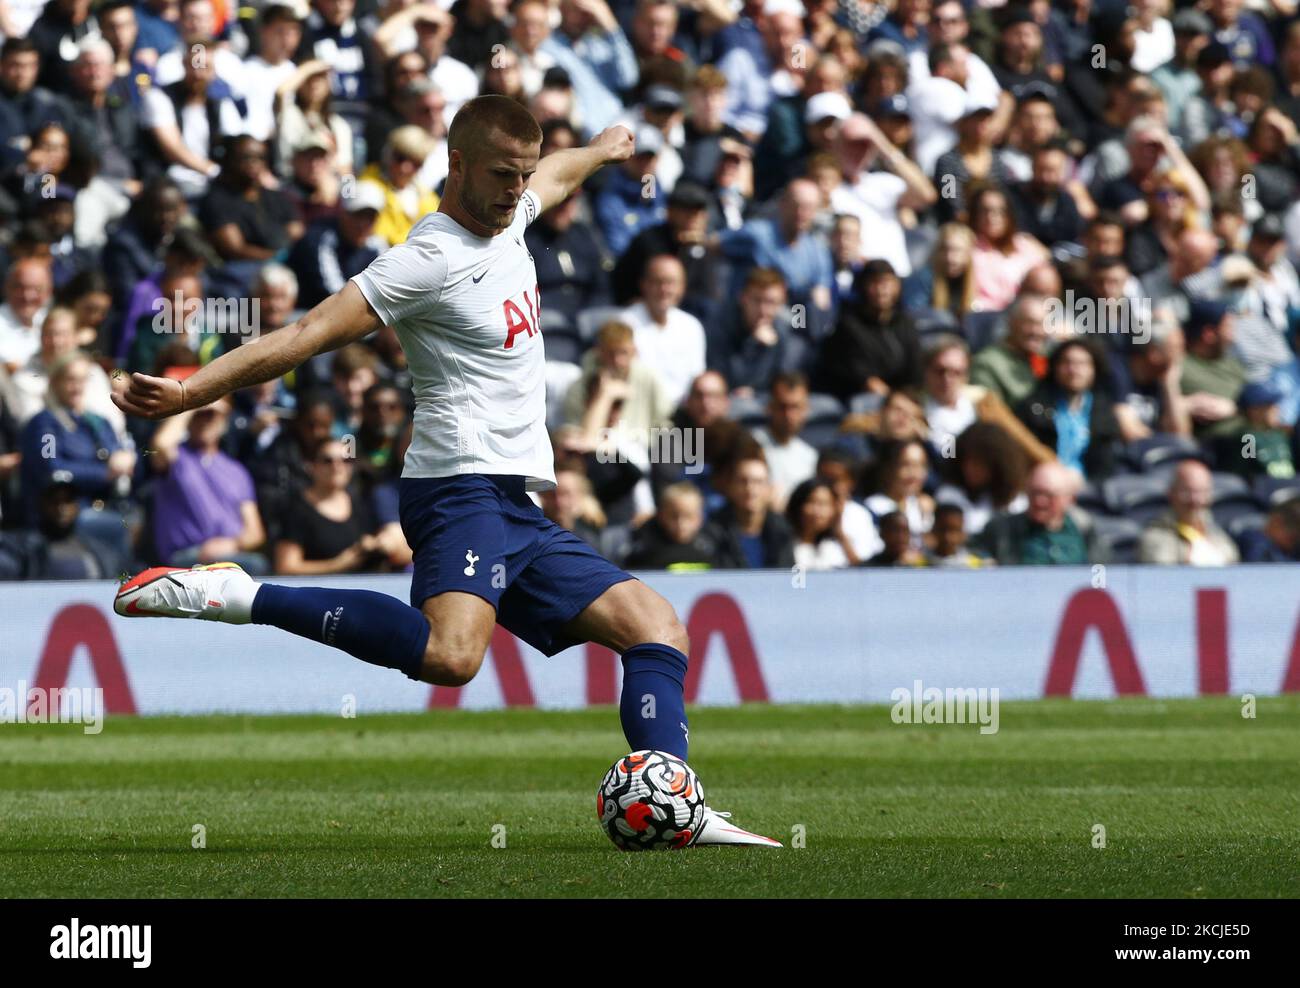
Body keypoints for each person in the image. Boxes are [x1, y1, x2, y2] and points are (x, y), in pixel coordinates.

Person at [111, 95, 779, 847]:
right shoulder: (425, 260)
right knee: (450, 656)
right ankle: (235, 593)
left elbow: (555, 178)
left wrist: (600, 148)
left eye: (520, 175)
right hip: (456, 486)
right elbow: (304, 334)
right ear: (455, 163)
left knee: (655, 625)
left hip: (514, 500)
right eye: (500, 174)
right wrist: (188, 391)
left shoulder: (514, 209)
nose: (514, 189)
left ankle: (671, 802)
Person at [148, 397, 269, 572]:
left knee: (256, 565)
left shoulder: (236, 470)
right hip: (185, 556)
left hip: (231, 553)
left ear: (225, 420)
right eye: (200, 415)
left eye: (212, 415)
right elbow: (160, 444)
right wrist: (191, 404)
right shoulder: (178, 458)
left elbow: (255, 532)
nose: (205, 421)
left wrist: (232, 544)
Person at [972, 461, 1105, 566]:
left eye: (1049, 495)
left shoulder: (1084, 529)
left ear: (1069, 499)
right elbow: (972, 556)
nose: (1039, 501)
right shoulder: (1001, 531)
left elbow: (1104, 571)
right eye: (1034, 493)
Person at [1137, 459, 1239, 566]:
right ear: (1171, 494)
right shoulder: (1154, 536)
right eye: (1187, 492)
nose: (1195, 500)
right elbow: (1162, 574)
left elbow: (1233, 563)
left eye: (1202, 492)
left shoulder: (1216, 532)